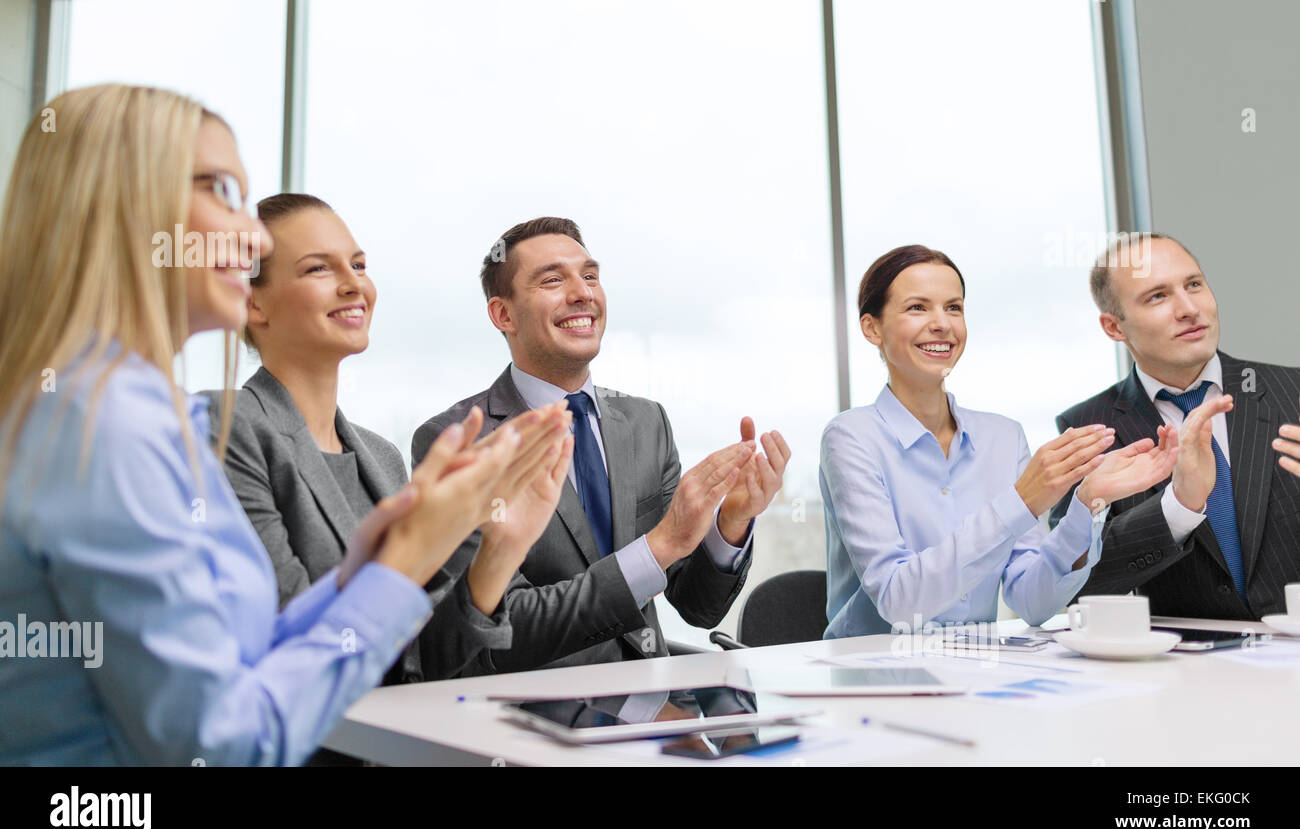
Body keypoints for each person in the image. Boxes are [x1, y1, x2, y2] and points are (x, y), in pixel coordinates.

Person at [0, 84, 567, 765]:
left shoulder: (139, 412)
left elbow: (247, 657)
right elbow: (225, 741)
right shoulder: (105, 427)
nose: (254, 235)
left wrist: (377, 566)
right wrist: (408, 558)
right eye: (219, 189)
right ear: (120, 206)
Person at [208, 194, 573, 763]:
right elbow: (294, 649)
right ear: (254, 304)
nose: (355, 284)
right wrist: (424, 538)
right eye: (318, 268)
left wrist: (500, 549)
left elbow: (421, 660)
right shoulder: (227, 428)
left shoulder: (380, 457)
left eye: (357, 264)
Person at [412, 217, 789, 677]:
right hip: (532, 715)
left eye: (590, 276)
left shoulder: (647, 422)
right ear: (503, 315)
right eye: (553, 280)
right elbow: (499, 632)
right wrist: (659, 545)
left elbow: (698, 609)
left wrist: (730, 523)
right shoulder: (458, 442)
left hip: (654, 709)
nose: (582, 293)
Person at [821, 245, 1177, 638]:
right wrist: (1021, 501)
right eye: (918, 308)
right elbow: (899, 601)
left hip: (975, 672)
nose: (942, 324)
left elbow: (1033, 602)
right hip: (873, 677)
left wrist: (1087, 503)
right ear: (872, 328)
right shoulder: (851, 438)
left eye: (954, 307)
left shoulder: (1003, 437)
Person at [1052, 233, 1300, 619]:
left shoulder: (1294, 394)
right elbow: (1072, 585)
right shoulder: (1088, 429)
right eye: (1157, 296)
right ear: (1114, 327)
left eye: (1194, 285)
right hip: (1182, 670)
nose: (1188, 308)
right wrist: (1178, 508)